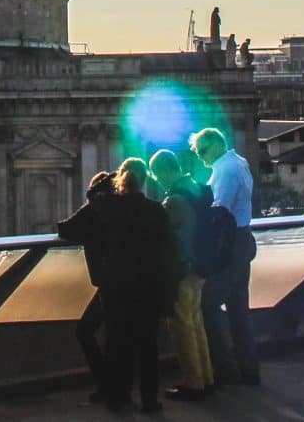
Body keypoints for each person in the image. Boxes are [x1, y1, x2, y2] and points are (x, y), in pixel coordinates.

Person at [96, 157, 177, 414]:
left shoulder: (108, 208)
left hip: (116, 286)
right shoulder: (156, 211)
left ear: (121, 179)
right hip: (148, 286)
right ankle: (150, 400)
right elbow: (169, 251)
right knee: (147, 346)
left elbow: (92, 195)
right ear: (145, 180)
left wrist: (110, 180)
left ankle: (117, 396)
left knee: (116, 343)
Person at [189, 127, 258, 385]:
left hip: (231, 244)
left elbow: (220, 211)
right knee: (239, 308)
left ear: (217, 144)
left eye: (203, 151)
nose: (201, 157)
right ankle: (249, 368)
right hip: (243, 238)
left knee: (208, 304)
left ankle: (226, 368)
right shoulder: (239, 162)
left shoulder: (225, 170)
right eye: (197, 153)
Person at [147, 149, 214, 400]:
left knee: (182, 326)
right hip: (200, 266)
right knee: (196, 323)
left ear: (165, 170)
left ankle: (193, 382)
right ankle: (206, 377)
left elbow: (164, 237)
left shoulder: (174, 200)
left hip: (182, 269)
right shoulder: (196, 188)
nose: (157, 181)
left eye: (156, 175)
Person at [55, 170, 117, 404]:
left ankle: (109, 387)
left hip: (109, 282)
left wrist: (90, 199)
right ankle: (128, 390)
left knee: (86, 331)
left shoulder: (96, 209)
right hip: (133, 280)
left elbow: (67, 229)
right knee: (123, 335)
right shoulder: (129, 207)